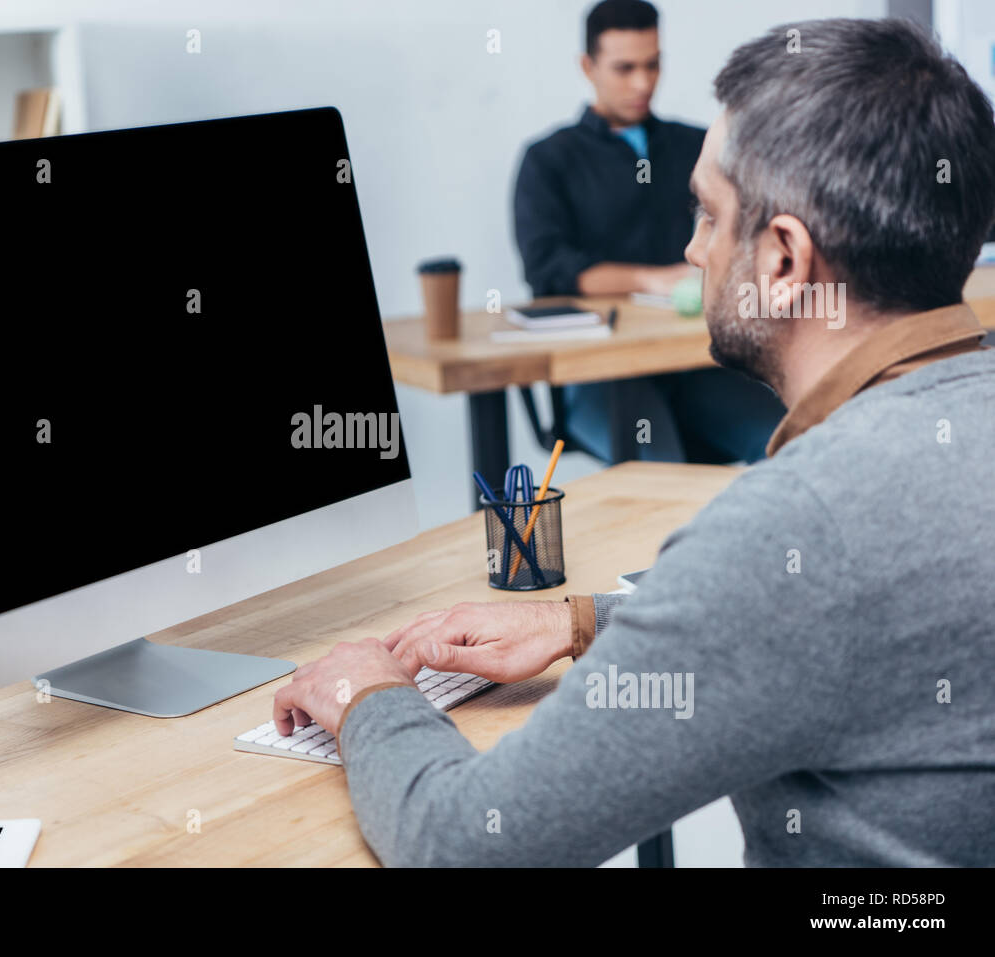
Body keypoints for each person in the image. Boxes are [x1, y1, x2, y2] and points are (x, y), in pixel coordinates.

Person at [273, 17, 995, 865]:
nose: (692, 248)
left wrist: (367, 692)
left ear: (785, 257)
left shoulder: (799, 528)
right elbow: (849, 613)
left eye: (710, 215)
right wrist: (587, 622)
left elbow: (466, 843)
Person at [513, 0, 785, 463]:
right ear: (588, 66)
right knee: (660, 467)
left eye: (653, 64)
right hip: (604, 376)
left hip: (698, 365)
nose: (642, 83)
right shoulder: (549, 160)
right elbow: (549, 269)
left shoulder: (697, 145)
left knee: (791, 439)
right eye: (625, 68)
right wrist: (650, 280)